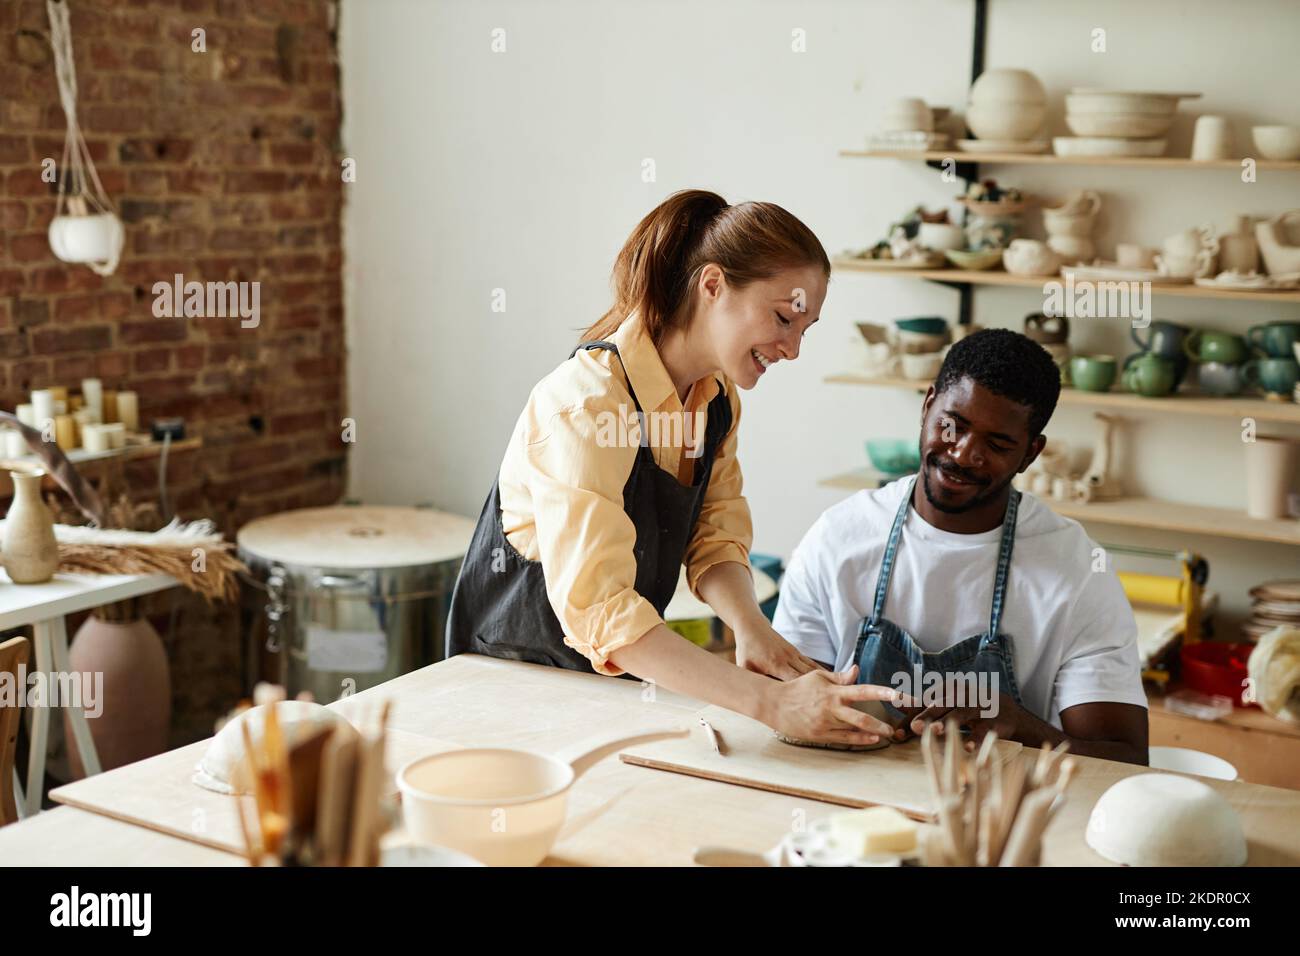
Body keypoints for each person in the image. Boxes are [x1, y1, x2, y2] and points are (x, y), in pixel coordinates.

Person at [446, 189, 899, 748]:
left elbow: (713, 537)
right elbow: (603, 612)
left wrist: (752, 631)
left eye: (804, 329)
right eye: (783, 318)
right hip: (512, 695)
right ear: (713, 286)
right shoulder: (587, 404)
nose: (793, 349)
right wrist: (772, 703)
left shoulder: (716, 401)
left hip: (603, 695)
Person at [774, 328, 1149, 763]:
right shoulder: (838, 538)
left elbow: (1125, 760)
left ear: (1030, 453)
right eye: (953, 425)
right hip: (850, 805)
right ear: (927, 404)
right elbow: (787, 707)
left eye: (997, 444)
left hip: (1001, 815)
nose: (964, 454)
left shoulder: (1078, 573)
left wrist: (1022, 727)